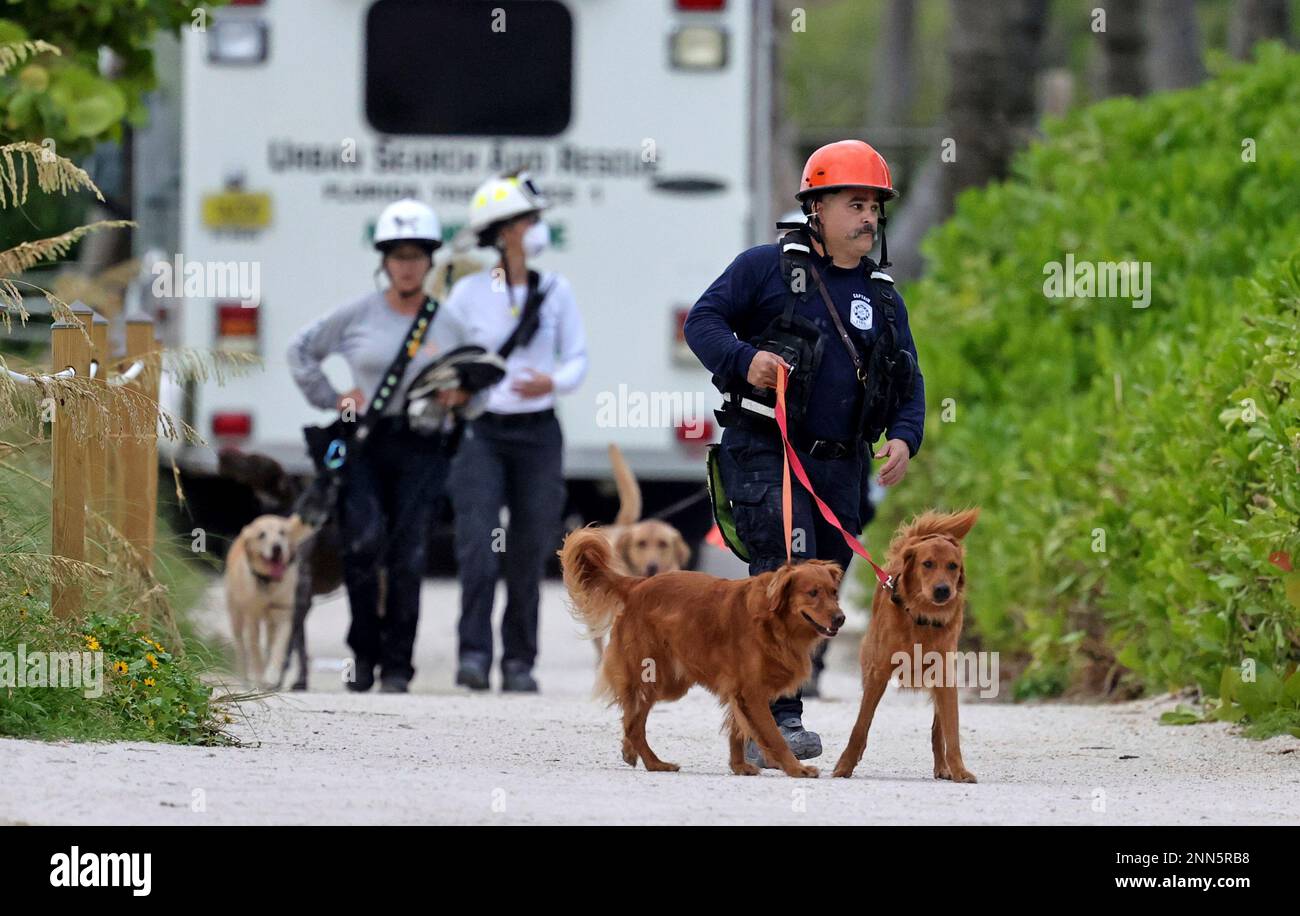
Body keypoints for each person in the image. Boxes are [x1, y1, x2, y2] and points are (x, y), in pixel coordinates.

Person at [684, 139, 926, 767]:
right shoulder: (765, 268)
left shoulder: (884, 295)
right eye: (854, 203)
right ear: (816, 208)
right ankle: (776, 725)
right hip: (767, 453)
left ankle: (763, 715)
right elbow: (701, 322)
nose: (868, 218)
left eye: (875, 206)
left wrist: (904, 435)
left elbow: (908, 379)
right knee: (781, 579)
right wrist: (746, 360)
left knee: (822, 589)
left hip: (842, 466)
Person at [287, 198, 463, 693]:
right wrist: (332, 396)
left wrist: (460, 397)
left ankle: (398, 666)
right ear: (383, 261)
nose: (406, 265)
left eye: (416, 255)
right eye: (396, 255)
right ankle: (363, 655)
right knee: (361, 545)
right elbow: (300, 350)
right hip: (364, 442)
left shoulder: (447, 324)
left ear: (430, 262)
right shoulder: (357, 314)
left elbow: (479, 383)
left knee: (407, 554)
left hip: (423, 446)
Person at [441, 172, 588, 693]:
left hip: (538, 435)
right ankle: (475, 655)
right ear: (503, 231)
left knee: (529, 549)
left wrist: (553, 381)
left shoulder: (556, 291)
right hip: (483, 433)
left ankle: (520, 661)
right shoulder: (468, 293)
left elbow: (577, 359)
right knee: (478, 546)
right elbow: (443, 358)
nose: (536, 228)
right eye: (528, 219)